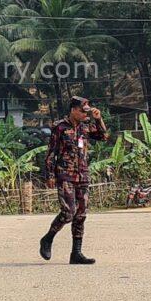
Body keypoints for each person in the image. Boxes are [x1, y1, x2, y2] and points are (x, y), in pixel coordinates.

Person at [38, 96, 107, 264]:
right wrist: (50, 174)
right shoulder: (60, 127)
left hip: (82, 174)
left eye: (87, 112)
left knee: (81, 215)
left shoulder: (85, 127)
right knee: (68, 212)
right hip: (65, 174)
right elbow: (51, 152)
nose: (86, 115)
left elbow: (103, 137)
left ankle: (76, 253)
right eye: (83, 112)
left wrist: (99, 119)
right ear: (73, 110)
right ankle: (47, 238)